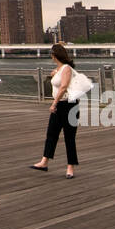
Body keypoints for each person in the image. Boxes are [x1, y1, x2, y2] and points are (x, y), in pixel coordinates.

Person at [32, 43, 80, 178]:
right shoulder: (59, 69)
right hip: (60, 105)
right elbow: (58, 80)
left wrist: (54, 103)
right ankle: (44, 161)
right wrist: (54, 73)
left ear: (55, 55)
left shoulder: (67, 69)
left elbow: (64, 87)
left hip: (69, 105)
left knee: (69, 137)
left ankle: (70, 167)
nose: (51, 57)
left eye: (52, 55)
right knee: (51, 134)